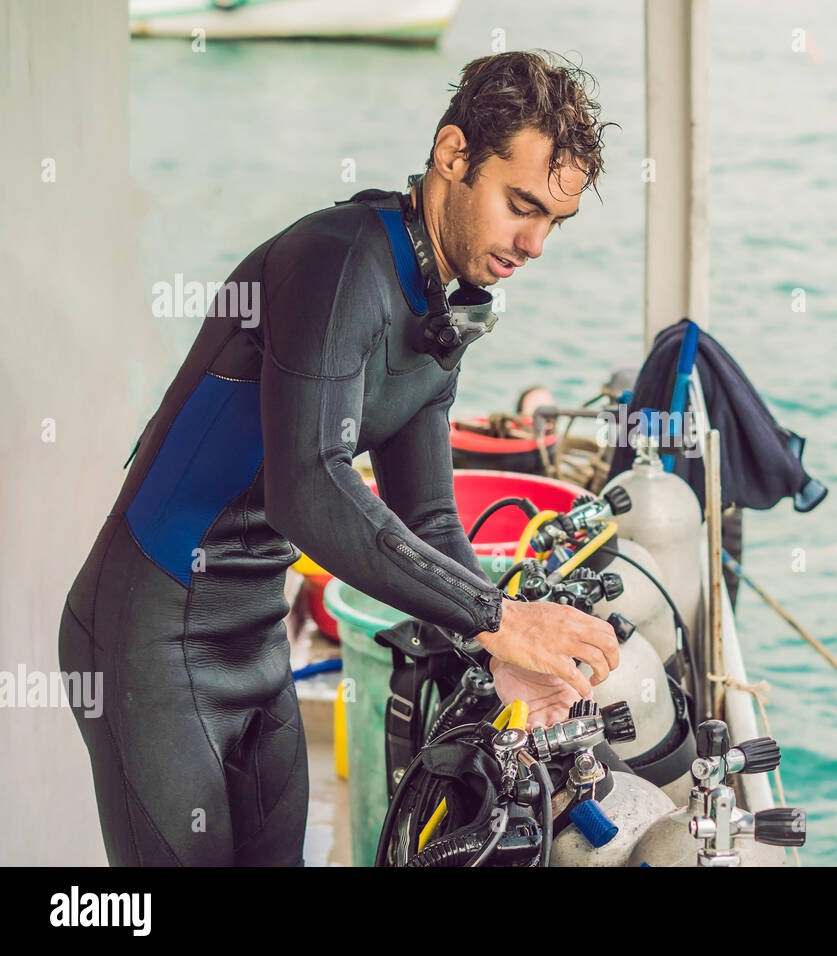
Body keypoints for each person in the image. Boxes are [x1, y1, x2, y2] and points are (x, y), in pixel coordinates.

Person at [57, 51, 618, 866]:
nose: (533, 243)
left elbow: (426, 519)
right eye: (520, 205)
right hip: (147, 633)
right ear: (453, 154)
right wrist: (501, 620)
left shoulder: (442, 306)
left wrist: (493, 651)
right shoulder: (338, 260)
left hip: (252, 634)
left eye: (553, 223)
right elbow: (308, 489)